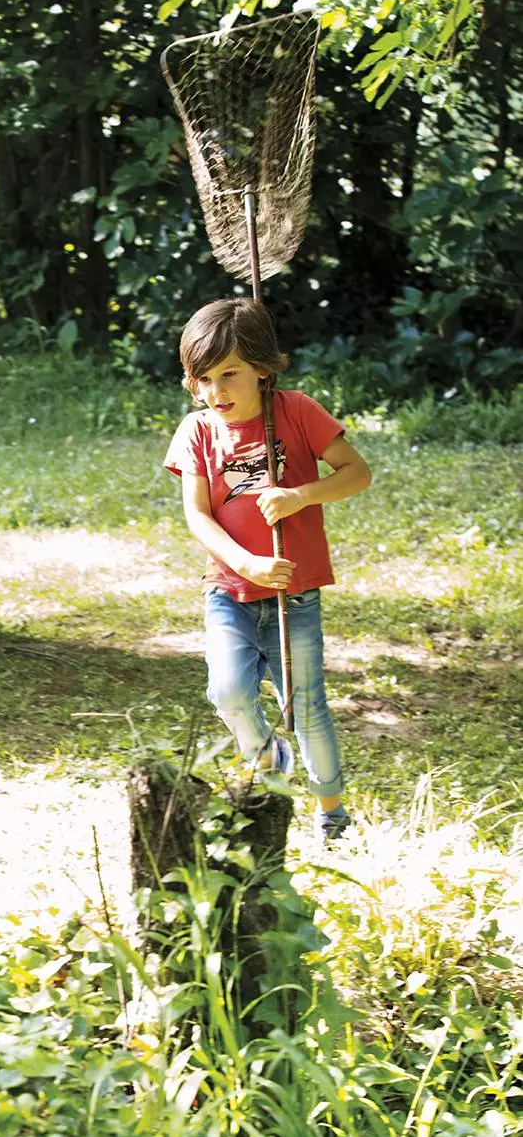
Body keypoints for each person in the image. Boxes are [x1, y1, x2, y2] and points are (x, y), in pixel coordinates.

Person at [163, 297, 372, 844]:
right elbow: (198, 515)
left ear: (261, 366)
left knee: (305, 707)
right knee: (228, 693)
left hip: (293, 595)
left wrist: (300, 495)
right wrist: (247, 562)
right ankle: (269, 761)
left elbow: (357, 474)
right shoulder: (198, 431)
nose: (217, 392)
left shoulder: (297, 412)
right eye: (203, 379)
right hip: (229, 591)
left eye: (229, 374)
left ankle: (333, 815)